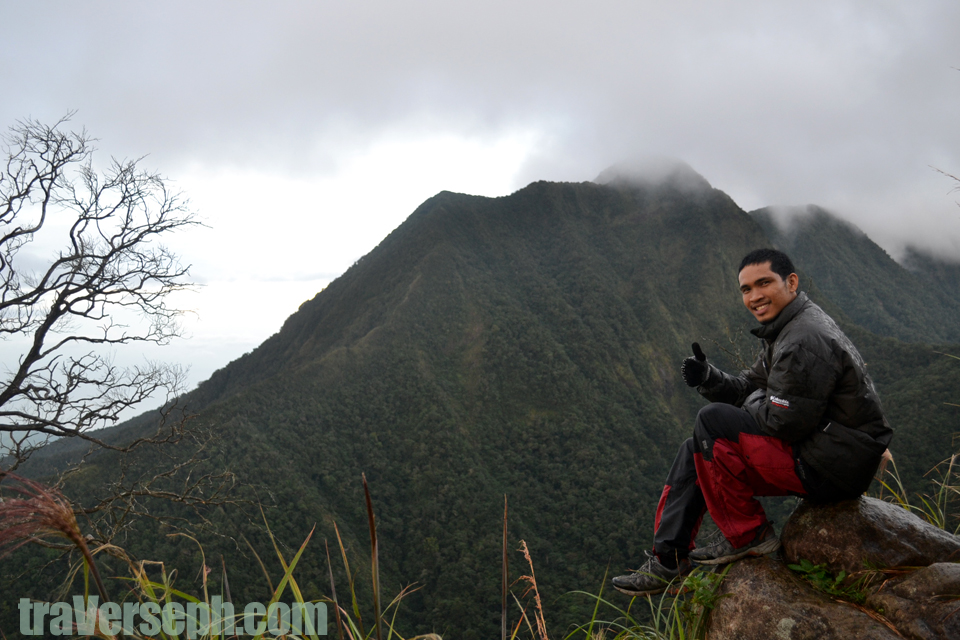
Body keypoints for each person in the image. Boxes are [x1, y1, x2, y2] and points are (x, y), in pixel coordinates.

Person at [612, 248, 893, 596]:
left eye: (764, 283)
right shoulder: (787, 327)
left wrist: (753, 400)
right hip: (823, 451)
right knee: (695, 448)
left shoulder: (802, 339)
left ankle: (748, 535)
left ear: (791, 282)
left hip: (831, 467)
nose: (754, 296)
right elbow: (753, 387)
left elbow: (783, 423)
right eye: (746, 289)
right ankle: (669, 558)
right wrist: (709, 378)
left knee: (711, 422)